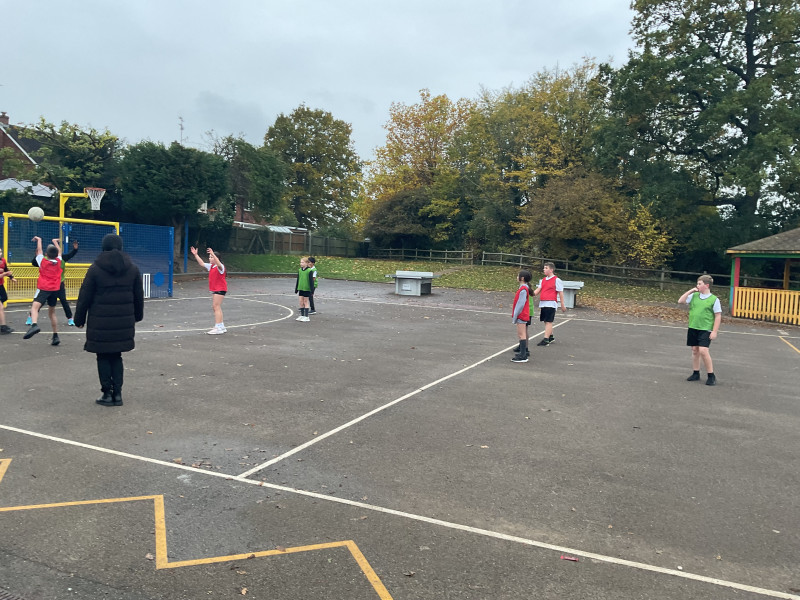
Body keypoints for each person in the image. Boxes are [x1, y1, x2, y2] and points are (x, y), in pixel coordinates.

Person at [74, 233, 144, 407]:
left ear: (103, 247)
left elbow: (85, 296)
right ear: (120, 247)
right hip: (123, 321)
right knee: (117, 356)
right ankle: (118, 394)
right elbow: (138, 296)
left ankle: (107, 393)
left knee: (103, 356)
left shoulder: (95, 269)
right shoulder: (133, 268)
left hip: (100, 321)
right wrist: (137, 315)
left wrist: (79, 318)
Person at [678, 274, 722, 386]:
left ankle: (711, 375)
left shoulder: (714, 299)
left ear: (706, 285)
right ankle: (696, 373)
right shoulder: (694, 296)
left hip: (706, 328)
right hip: (693, 326)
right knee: (695, 350)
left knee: (703, 350)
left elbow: (718, 316)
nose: (697, 285)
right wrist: (691, 291)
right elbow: (680, 301)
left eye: (699, 284)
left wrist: (714, 331)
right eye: (697, 283)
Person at [28, 239, 79, 326]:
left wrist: (75, 250)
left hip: (58, 284)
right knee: (44, 304)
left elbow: (69, 255)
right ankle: (31, 317)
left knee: (63, 300)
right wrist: (55, 242)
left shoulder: (48, 260)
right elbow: (34, 263)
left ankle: (70, 318)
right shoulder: (54, 260)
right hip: (50, 286)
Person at [23, 237, 63, 345]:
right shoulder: (59, 261)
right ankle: (56, 336)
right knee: (52, 313)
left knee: (34, 307)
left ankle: (34, 325)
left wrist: (39, 240)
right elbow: (59, 251)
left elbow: (39, 250)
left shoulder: (43, 262)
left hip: (44, 288)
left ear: (46, 254)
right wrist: (55, 242)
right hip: (55, 290)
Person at [191, 245, 227, 334]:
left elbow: (218, 263)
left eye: (211, 257)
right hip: (216, 289)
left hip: (220, 288)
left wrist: (213, 254)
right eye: (209, 257)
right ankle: (221, 326)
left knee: (216, 306)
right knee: (216, 306)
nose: (210, 259)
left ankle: (218, 327)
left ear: (216, 258)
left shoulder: (220, 267)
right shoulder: (211, 266)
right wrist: (196, 255)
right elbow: (202, 264)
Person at [532, 261, 566, 346]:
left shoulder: (556, 280)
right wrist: (529, 293)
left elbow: (560, 293)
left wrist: (562, 304)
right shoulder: (543, 280)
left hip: (551, 303)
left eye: (546, 268)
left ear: (551, 270)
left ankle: (546, 339)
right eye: (544, 268)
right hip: (543, 303)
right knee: (545, 321)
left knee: (548, 321)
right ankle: (550, 336)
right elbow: (537, 291)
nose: (544, 269)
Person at [511, 270, 533, 363]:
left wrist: (515, 316)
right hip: (522, 314)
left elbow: (520, 304)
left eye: (518, 275)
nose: (517, 277)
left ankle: (523, 355)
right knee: (521, 334)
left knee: (521, 334)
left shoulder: (523, 289)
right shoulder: (524, 288)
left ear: (522, 278)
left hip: (521, 315)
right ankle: (522, 353)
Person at [294, 256, 313, 322]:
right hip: (301, 288)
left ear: (306, 263)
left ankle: (306, 316)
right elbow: (298, 279)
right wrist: (296, 288)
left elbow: (311, 281)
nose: (301, 263)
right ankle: (302, 315)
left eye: (302, 262)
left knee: (306, 302)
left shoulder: (309, 271)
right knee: (301, 302)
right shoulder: (300, 270)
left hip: (307, 289)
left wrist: (311, 291)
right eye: (300, 262)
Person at [0, 248, 14, 335]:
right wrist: (4, 274)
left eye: (0, 251)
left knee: (4, 297)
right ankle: (3, 327)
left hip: (0, 285)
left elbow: (6, 269)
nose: (0, 253)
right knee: (1, 307)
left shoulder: (3, 260)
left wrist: (11, 277)